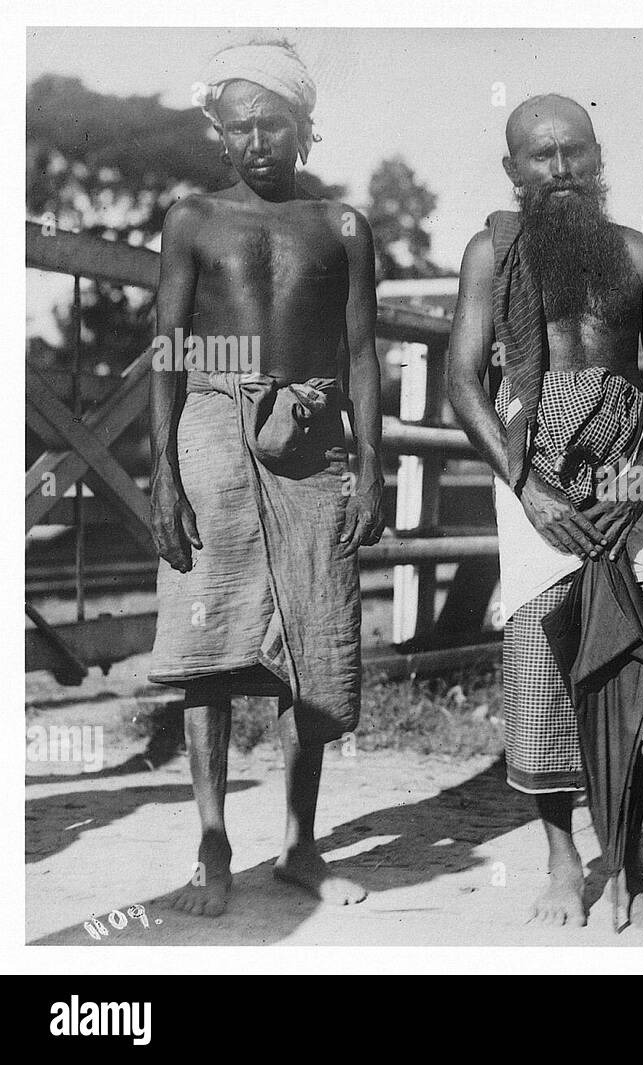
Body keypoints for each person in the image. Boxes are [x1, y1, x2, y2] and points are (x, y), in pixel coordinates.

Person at [148, 40, 384, 916]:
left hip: (314, 440)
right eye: (240, 126)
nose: (257, 141)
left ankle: (300, 845)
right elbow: (169, 352)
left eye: (273, 124)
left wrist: (370, 462)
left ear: (305, 128)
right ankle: (212, 843)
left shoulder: (342, 226)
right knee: (209, 651)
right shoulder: (192, 219)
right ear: (219, 134)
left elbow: (362, 351)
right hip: (212, 429)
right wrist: (163, 476)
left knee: (314, 637)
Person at [446, 94, 643, 930]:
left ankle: (631, 863)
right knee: (543, 667)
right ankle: (561, 860)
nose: (559, 171)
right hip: (532, 471)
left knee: (630, 665)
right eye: (539, 157)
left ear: (597, 157)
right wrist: (528, 484)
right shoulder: (491, 255)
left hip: (628, 479)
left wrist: (640, 480)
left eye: (573, 153)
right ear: (512, 172)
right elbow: (464, 378)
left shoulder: (639, 253)